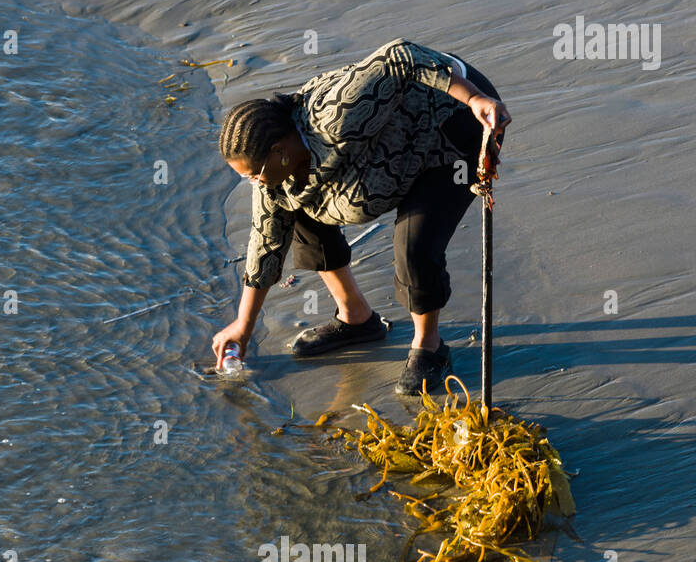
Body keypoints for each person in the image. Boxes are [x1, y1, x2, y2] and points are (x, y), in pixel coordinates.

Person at [212, 37, 510, 396]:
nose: (253, 182)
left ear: (278, 151)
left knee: (414, 247)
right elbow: (265, 245)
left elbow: (400, 56)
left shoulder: (335, 114)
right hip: (389, 155)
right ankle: (356, 317)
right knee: (297, 211)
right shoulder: (276, 181)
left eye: (252, 173)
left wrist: (475, 98)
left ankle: (429, 346)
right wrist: (242, 326)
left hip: (453, 123)